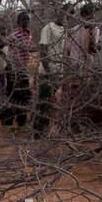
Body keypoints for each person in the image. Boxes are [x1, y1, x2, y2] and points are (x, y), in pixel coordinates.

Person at [34, 8, 66, 137]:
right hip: (48, 73)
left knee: (52, 104)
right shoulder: (48, 28)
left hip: (59, 72)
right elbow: (43, 49)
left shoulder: (65, 30)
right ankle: (37, 133)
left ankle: (46, 131)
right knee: (44, 103)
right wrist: (49, 71)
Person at [2, 11, 33, 131]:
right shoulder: (14, 35)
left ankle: (22, 122)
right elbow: (3, 43)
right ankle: (7, 122)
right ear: (18, 22)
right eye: (23, 20)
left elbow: (28, 50)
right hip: (13, 69)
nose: (26, 22)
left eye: (27, 20)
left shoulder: (29, 35)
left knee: (23, 96)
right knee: (12, 95)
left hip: (23, 69)